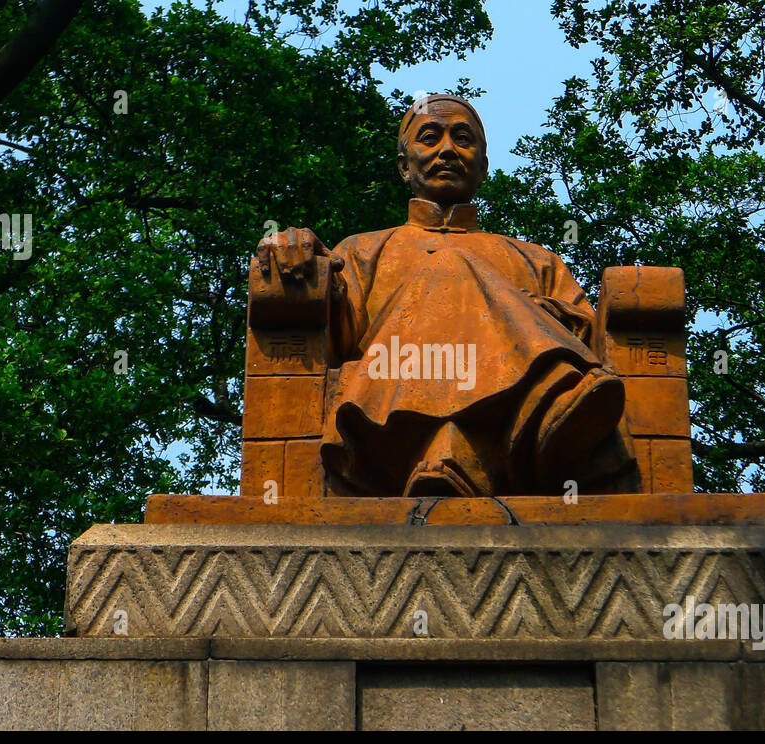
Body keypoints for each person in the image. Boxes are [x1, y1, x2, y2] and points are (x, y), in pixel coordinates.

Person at [254, 94, 634, 496]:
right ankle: (539, 410)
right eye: (430, 137)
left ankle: (463, 451)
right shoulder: (362, 250)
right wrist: (300, 252)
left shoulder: (535, 259)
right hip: (387, 416)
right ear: (404, 166)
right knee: (450, 264)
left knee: (453, 265)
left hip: (505, 428)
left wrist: (523, 312)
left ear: (483, 167)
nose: (448, 150)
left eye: (463, 139)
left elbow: (583, 332)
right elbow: (339, 331)